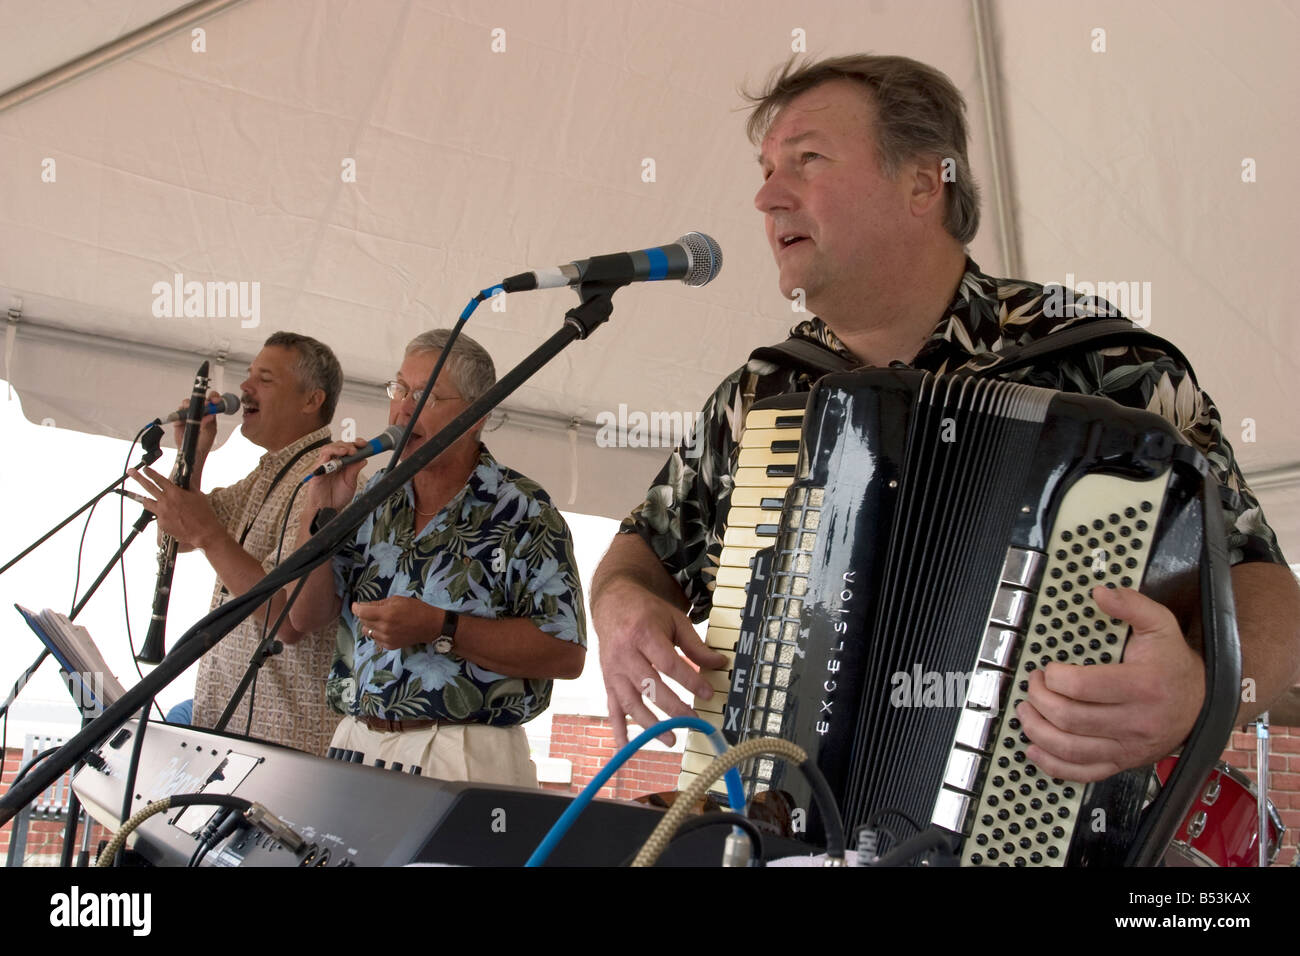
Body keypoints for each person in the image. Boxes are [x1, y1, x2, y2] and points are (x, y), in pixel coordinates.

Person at [592, 54, 1300, 785]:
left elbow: (1262, 581)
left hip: (1043, 818)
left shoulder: (1106, 363)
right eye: (767, 168)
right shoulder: (762, 394)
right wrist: (620, 609)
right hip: (788, 824)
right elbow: (641, 555)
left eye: (807, 160)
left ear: (924, 184)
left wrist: (1201, 693)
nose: (767, 197)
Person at [287, 330, 585, 787]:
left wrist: (442, 627)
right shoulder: (372, 496)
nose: (403, 408)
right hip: (356, 743)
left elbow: (565, 654)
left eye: (425, 396)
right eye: (399, 389)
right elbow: (304, 616)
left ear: (473, 415)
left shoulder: (524, 509)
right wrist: (322, 511)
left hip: (464, 752)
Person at [127, 332, 343, 756]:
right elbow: (179, 535)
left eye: (264, 378)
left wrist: (210, 536)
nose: (244, 388)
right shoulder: (268, 473)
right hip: (231, 734)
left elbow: (286, 621)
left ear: (310, 400)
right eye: (248, 375)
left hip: (286, 747)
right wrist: (195, 452)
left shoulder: (328, 481)